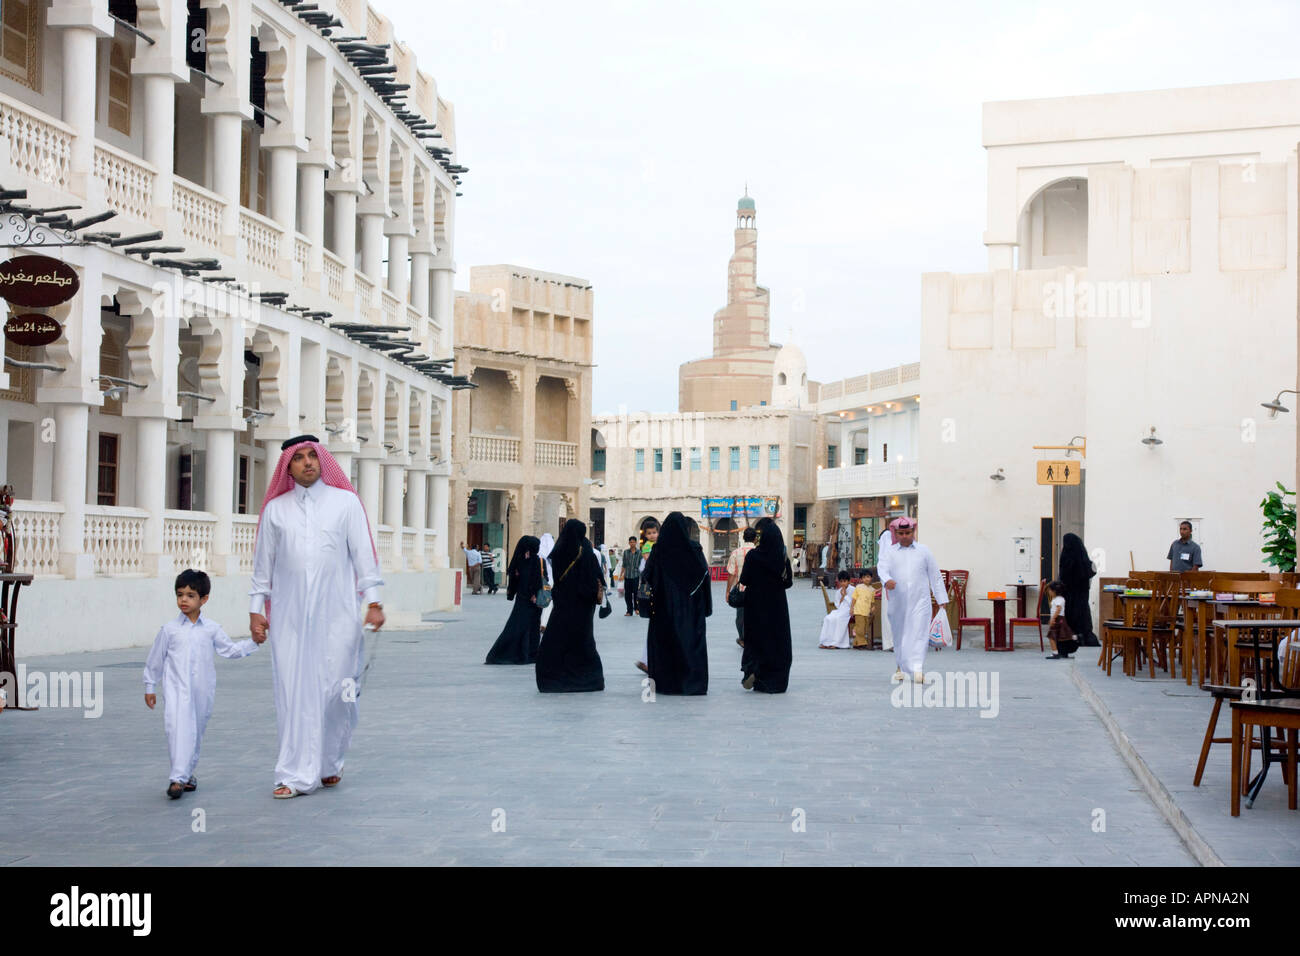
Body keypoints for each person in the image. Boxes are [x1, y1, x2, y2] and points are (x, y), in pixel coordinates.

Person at [249, 435, 385, 799]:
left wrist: (373, 600)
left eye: (313, 456)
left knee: (338, 693)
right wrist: (255, 611)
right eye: (299, 458)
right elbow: (262, 568)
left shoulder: (346, 503)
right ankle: (292, 774)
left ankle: (329, 761)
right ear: (288, 467)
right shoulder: (277, 510)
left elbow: (364, 556)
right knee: (294, 694)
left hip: (337, 616)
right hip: (290, 620)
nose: (308, 462)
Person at [144, 569, 264, 799]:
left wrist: (254, 642)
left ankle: (186, 775)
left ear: (204, 599)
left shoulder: (211, 629)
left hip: (202, 691)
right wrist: (150, 686)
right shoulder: (169, 630)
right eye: (180, 595)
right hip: (175, 691)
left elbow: (231, 650)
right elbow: (155, 660)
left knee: (195, 732)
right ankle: (177, 779)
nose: (184, 600)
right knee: (176, 730)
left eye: (190, 595)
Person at [642, 511, 712, 695]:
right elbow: (705, 577)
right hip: (692, 609)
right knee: (691, 644)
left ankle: (666, 684)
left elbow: (647, 576)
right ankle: (692, 683)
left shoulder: (658, 551)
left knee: (665, 644)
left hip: (664, 608)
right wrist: (707, 607)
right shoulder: (694, 550)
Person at [535, 519, 605, 693]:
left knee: (557, 641)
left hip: (563, 607)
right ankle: (587, 679)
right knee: (582, 643)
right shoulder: (586, 552)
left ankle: (552, 678)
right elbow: (596, 577)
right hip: (582, 608)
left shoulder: (558, 552)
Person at [876, 516, 946, 683]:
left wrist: (941, 598)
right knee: (900, 635)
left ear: (913, 532)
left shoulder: (924, 551)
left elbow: (935, 575)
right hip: (898, 602)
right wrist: (887, 580)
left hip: (920, 601)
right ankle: (900, 666)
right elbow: (882, 569)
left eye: (908, 532)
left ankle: (917, 669)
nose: (905, 536)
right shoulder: (889, 552)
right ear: (896, 534)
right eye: (901, 533)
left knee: (919, 634)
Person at [739, 516, 793, 693]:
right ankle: (777, 680)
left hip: (756, 604)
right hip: (777, 605)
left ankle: (756, 673)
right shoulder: (782, 557)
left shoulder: (754, 556)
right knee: (777, 641)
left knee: (757, 639)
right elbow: (788, 582)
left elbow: (744, 579)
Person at [485, 536, 544, 664]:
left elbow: (516, 579)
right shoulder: (533, 560)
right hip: (532, 600)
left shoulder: (520, 560)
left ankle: (521, 652)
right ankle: (529, 653)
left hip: (522, 598)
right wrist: (534, 593)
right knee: (531, 626)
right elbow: (536, 580)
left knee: (518, 625)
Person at [1058, 532, 1099, 647]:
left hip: (1069, 596)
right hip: (1082, 596)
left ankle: (1071, 638)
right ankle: (1084, 638)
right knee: (1082, 617)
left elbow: (1063, 578)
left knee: (1071, 617)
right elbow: (1092, 571)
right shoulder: (1084, 560)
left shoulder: (1066, 559)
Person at [634, 517, 661, 673]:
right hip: (655, 592)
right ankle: (647, 660)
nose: (652, 535)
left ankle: (647, 660)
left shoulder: (657, 546)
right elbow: (648, 566)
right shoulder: (647, 547)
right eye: (649, 533)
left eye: (654, 532)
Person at [726, 527, 757, 647]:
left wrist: (728, 591)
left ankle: (743, 639)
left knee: (740, 616)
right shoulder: (759, 551)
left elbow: (731, 574)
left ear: (743, 538)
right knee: (755, 615)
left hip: (741, 590)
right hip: (757, 590)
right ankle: (754, 638)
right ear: (755, 539)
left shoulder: (736, 553)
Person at [1044, 580, 1079, 660]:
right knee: (1062, 635)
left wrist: (1052, 619)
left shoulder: (1059, 599)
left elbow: (1058, 609)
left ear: (1054, 591)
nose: (1049, 592)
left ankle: (1055, 653)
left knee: (1051, 636)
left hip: (1058, 619)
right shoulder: (1058, 599)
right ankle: (1074, 637)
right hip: (1060, 619)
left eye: (1050, 590)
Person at [818, 570, 854, 649]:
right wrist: (842, 596)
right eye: (841, 581)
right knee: (828, 618)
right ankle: (826, 641)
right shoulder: (838, 592)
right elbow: (838, 605)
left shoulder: (853, 590)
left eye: (845, 581)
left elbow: (853, 603)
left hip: (849, 610)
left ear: (848, 581)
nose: (843, 583)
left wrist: (846, 596)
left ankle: (837, 643)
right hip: (840, 610)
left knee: (838, 619)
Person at [850, 569, 877, 649]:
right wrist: (852, 608)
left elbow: (872, 600)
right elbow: (854, 598)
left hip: (866, 612)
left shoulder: (872, 590)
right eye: (864, 577)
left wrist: (873, 607)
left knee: (864, 628)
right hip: (858, 611)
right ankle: (863, 643)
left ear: (871, 578)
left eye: (868, 577)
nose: (867, 579)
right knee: (861, 628)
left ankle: (856, 643)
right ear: (861, 579)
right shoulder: (858, 587)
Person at [537, 532, 555, 633]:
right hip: (550, 581)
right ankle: (544, 623)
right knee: (548, 601)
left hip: (539, 580)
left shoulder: (538, 552)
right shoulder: (553, 553)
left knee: (539, 600)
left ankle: (538, 623)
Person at [621, 535, 640, 616]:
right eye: (631, 542)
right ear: (629, 543)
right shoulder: (625, 552)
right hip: (627, 576)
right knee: (627, 594)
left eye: (633, 542)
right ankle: (629, 611)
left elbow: (641, 565)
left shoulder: (640, 553)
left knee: (636, 594)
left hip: (636, 576)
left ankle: (636, 608)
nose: (632, 543)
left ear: (636, 543)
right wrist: (621, 574)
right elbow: (624, 564)